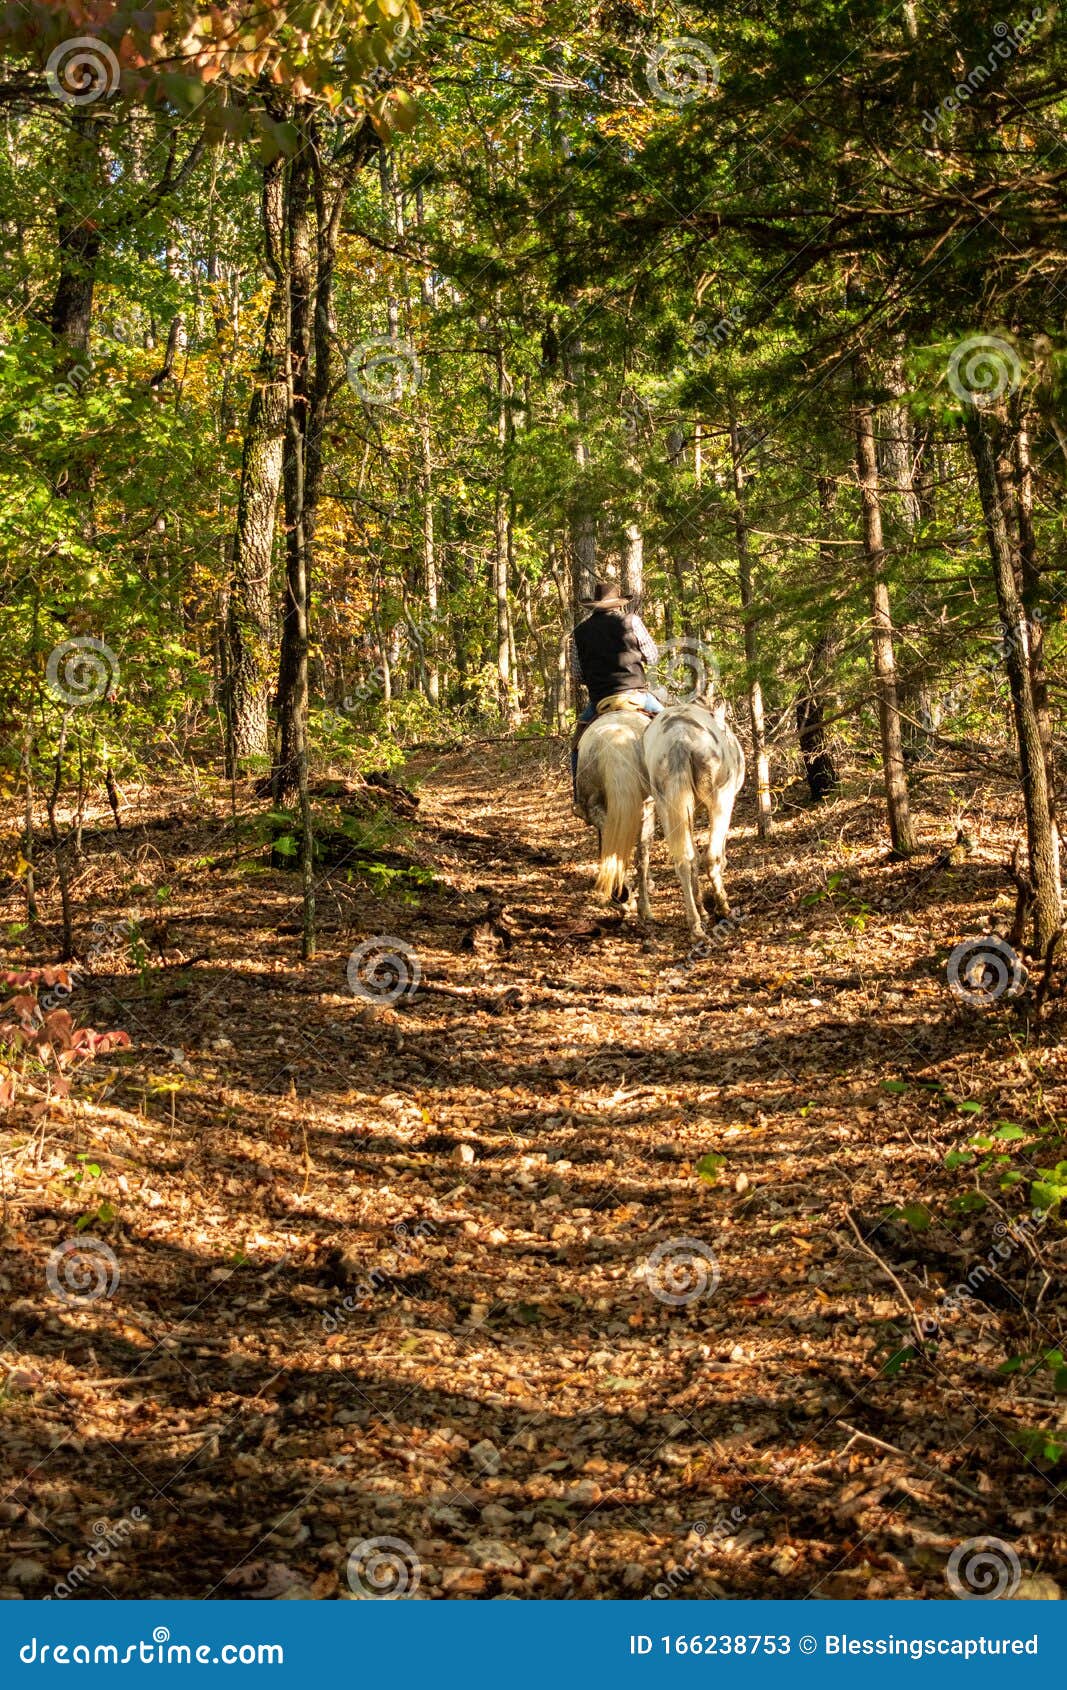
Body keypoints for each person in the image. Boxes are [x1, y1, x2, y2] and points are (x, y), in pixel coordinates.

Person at [570, 580, 664, 799]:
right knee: (671, 726)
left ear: (594, 605)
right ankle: (669, 788)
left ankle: (579, 798)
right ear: (619, 604)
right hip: (637, 696)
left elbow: (577, 675)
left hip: (601, 701)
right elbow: (652, 657)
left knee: (576, 746)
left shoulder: (579, 631)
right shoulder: (632, 621)